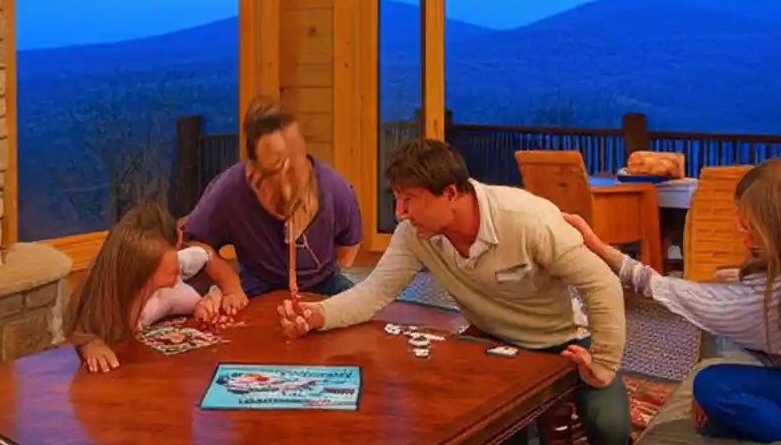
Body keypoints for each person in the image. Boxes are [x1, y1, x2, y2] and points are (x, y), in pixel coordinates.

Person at [276, 138, 632, 445]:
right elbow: (374, 293)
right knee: (483, 425)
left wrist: (603, 363)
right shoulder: (415, 234)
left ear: (449, 193)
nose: (400, 214)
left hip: (565, 341)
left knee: (610, 427)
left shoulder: (529, 220)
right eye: (396, 199)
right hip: (489, 341)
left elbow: (600, 282)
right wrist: (317, 316)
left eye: (409, 200)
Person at [563, 155, 781, 443]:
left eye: (750, 226)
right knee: (720, 375)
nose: (741, 232)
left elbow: (663, 289)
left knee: (712, 384)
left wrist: (599, 248)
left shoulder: (771, 301)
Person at [183, 97, 363, 300]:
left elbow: (348, 248)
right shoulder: (228, 191)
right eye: (274, 171)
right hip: (257, 283)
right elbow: (194, 243)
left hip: (323, 281)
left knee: (359, 307)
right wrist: (229, 284)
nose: (287, 188)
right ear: (252, 170)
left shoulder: (334, 188)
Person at [65, 202, 243, 374]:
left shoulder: (174, 261)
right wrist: (90, 345)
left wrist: (229, 291)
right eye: (171, 274)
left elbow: (206, 255)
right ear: (140, 274)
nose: (174, 281)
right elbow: (80, 328)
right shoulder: (106, 300)